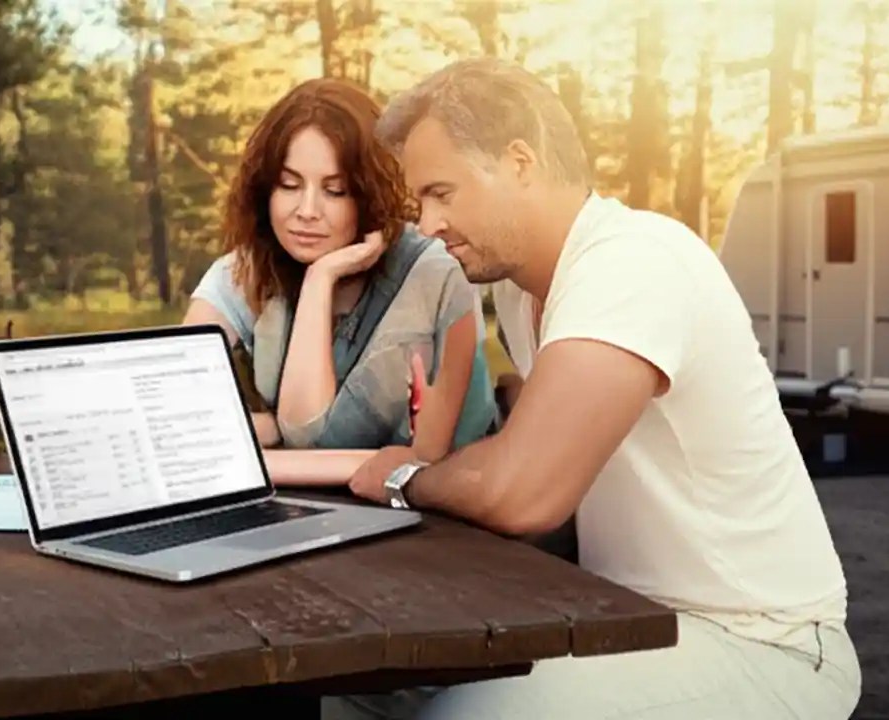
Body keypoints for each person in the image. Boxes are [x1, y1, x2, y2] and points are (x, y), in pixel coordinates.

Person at [332, 58, 862, 719]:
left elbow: (521, 491)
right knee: (356, 694)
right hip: (629, 621)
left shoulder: (631, 262)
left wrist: (404, 477)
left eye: (442, 192)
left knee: (463, 719)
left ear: (520, 162)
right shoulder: (519, 287)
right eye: (421, 202)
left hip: (762, 641)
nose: (428, 224)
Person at [184, 77, 499, 483]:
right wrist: (320, 281)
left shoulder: (437, 269)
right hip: (311, 506)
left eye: (335, 190)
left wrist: (258, 450)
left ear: (369, 194)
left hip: (442, 509)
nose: (307, 210)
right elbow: (182, 422)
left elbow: (422, 458)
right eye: (289, 185)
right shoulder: (244, 271)